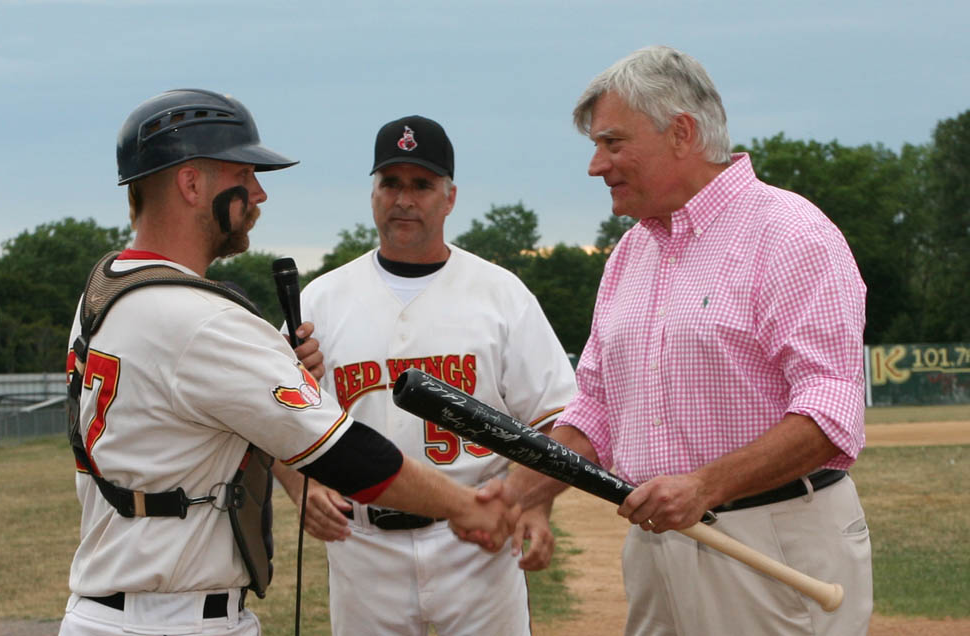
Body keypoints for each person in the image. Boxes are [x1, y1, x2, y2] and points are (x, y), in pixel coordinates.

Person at [59, 89, 517, 636]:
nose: (258, 193)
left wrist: (282, 377)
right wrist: (467, 506)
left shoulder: (110, 286)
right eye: (245, 174)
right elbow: (352, 457)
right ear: (190, 184)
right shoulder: (201, 319)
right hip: (173, 617)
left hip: (111, 607)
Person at [489, 46, 874, 635]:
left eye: (612, 143)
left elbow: (829, 413)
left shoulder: (791, 234)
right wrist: (515, 492)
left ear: (682, 133)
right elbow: (595, 411)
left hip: (774, 544)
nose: (596, 165)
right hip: (657, 551)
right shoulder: (628, 255)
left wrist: (704, 487)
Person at [274, 115, 577, 635]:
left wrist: (532, 501)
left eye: (422, 185)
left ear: (450, 196)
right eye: (390, 183)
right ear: (373, 193)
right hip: (361, 543)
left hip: (477, 546)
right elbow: (269, 409)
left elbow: (558, 418)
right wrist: (296, 485)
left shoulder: (500, 294)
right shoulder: (320, 300)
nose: (404, 198)